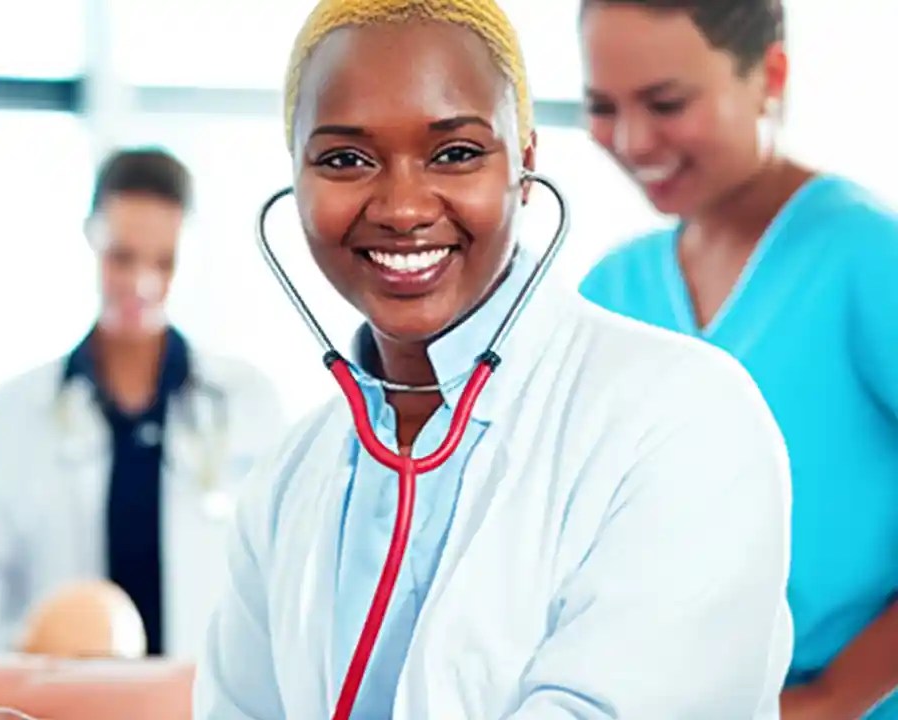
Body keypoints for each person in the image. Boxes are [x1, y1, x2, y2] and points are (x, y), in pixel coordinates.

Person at [195, 0, 796, 717]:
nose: (404, 207)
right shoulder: (289, 479)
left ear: (525, 162)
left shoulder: (684, 418)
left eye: (455, 153)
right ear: (295, 177)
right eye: (345, 159)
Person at [577, 1, 898, 717]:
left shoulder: (868, 258)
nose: (631, 139)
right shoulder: (607, 292)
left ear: (769, 76)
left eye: (666, 102)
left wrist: (834, 697)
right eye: (602, 106)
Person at [0, 148, 285, 661]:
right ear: (90, 238)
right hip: (58, 706)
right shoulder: (16, 413)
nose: (140, 283)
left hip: (201, 700)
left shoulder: (247, 405)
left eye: (164, 262)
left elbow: (278, 571)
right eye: (121, 257)